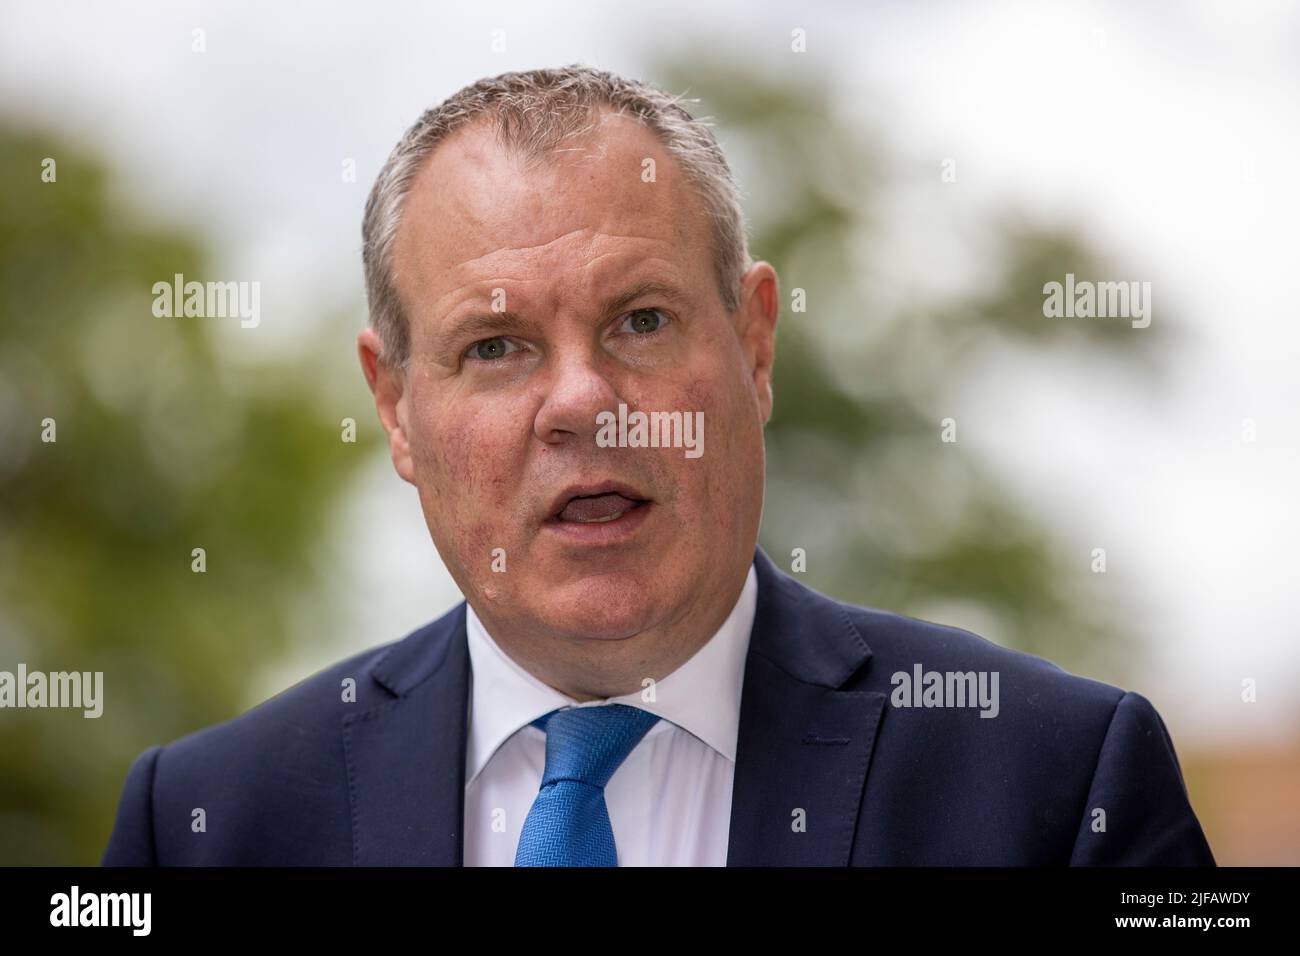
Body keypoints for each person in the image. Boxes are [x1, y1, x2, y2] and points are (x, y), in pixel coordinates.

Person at [102, 64, 1215, 866]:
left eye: (639, 320)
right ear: (394, 406)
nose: (582, 401)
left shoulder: (1058, 789)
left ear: (755, 345)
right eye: (495, 347)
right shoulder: (206, 821)